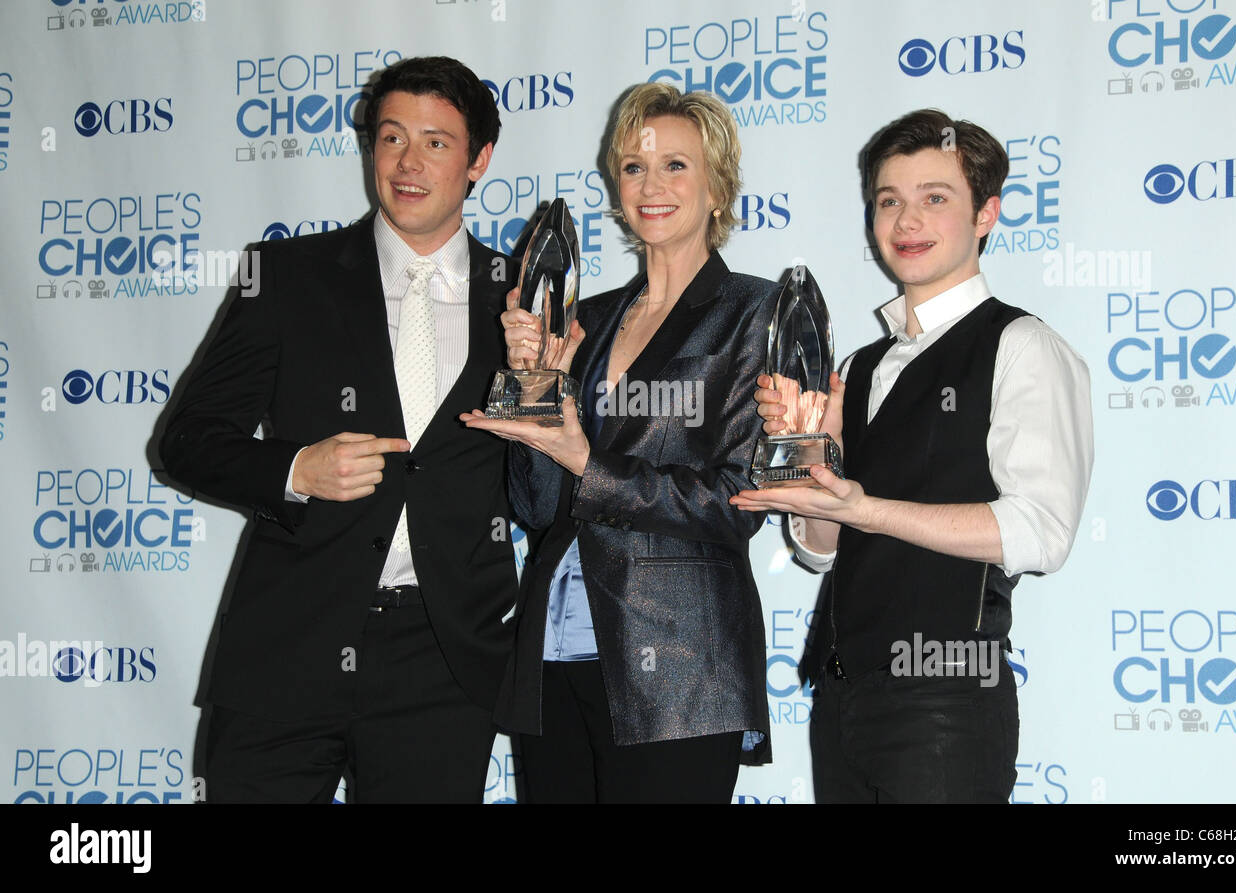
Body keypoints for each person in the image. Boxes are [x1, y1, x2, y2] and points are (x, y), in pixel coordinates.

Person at [159, 56, 519, 802]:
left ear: (480, 160)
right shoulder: (288, 277)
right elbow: (185, 440)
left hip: (444, 662)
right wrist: (294, 469)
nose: (408, 162)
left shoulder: (521, 303)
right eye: (391, 138)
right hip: (286, 649)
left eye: (436, 142)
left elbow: (542, 482)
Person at [731, 109, 1094, 803]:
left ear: (985, 213)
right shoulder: (862, 367)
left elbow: (1040, 531)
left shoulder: (1021, 346)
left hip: (946, 706)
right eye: (889, 200)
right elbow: (824, 551)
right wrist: (817, 468)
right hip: (843, 701)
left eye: (935, 197)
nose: (907, 219)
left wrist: (866, 504)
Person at [461, 83, 776, 803]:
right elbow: (538, 506)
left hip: (679, 663)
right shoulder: (589, 318)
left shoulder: (753, 313)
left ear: (717, 186)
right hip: (554, 650)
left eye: (676, 166)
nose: (651, 185)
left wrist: (586, 460)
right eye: (634, 167)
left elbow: (741, 500)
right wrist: (532, 384)